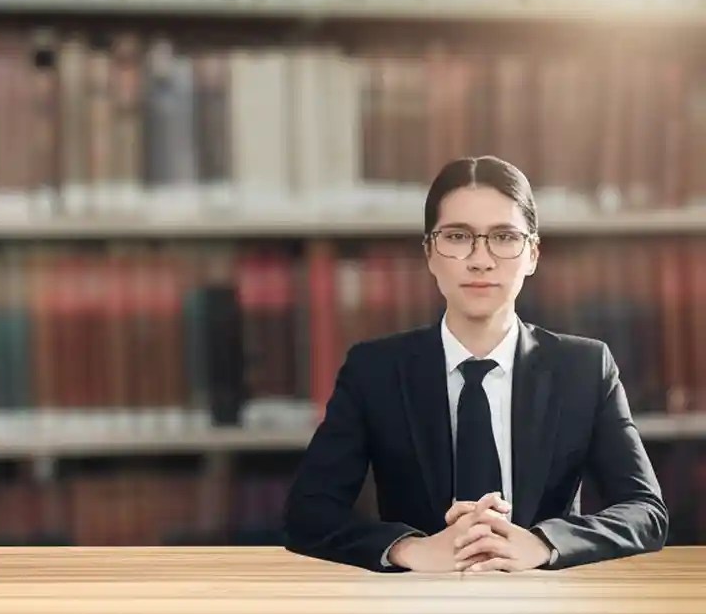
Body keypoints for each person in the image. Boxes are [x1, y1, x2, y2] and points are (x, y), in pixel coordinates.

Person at [282, 156, 668, 573]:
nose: (480, 259)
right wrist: (409, 549)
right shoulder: (375, 370)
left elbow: (645, 512)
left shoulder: (585, 368)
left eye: (503, 237)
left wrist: (544, 543)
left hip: (548, 607)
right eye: (457, 236)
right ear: (430, 253)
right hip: (413, 606)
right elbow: (308, 513)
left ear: (533, 254)